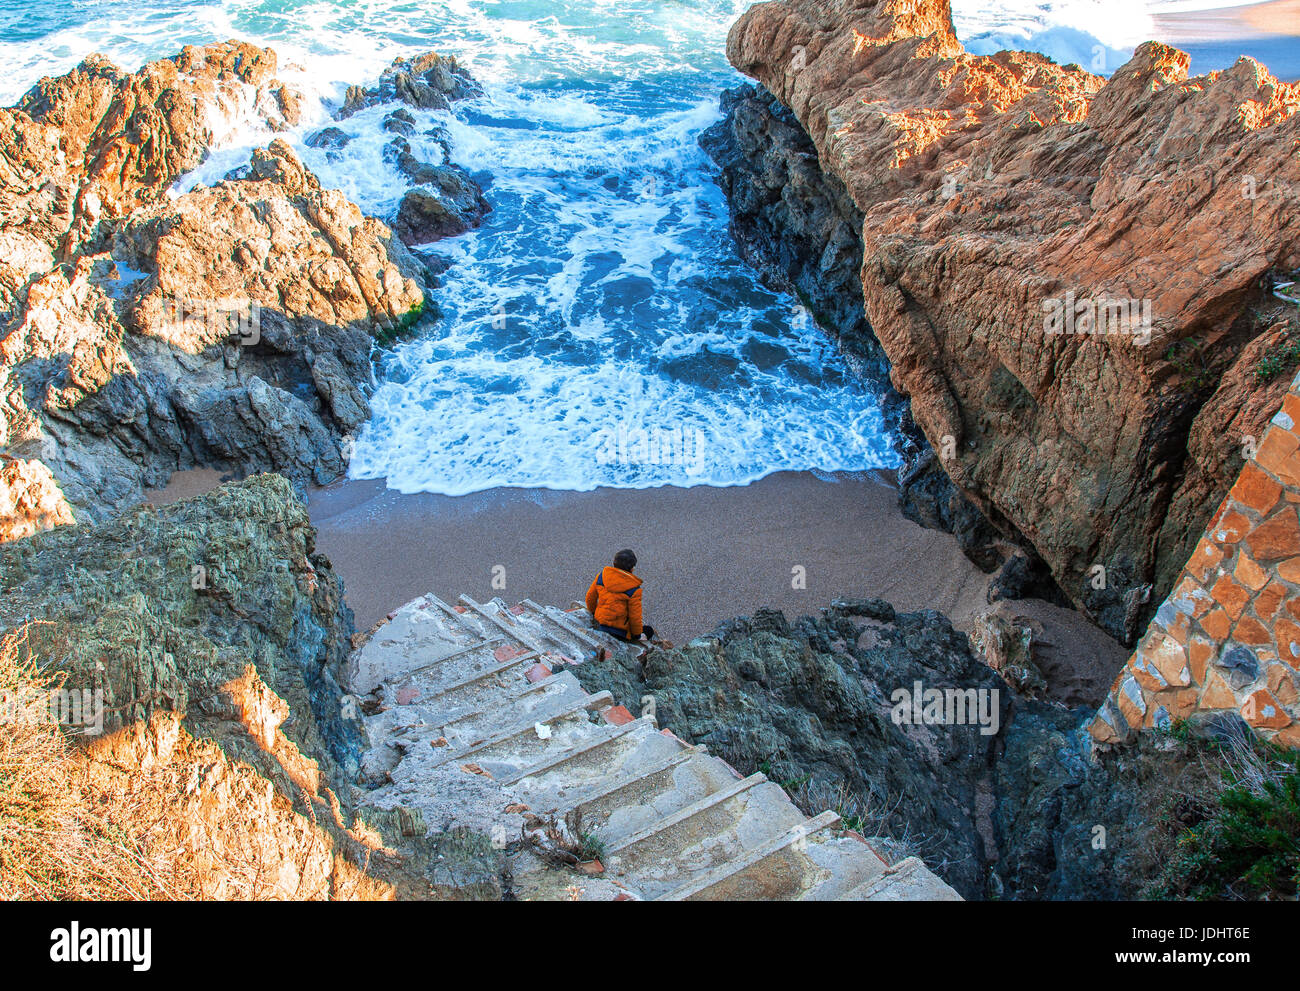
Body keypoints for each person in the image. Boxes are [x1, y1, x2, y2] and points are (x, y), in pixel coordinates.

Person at [585, 548, 655, 642]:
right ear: (632, 568)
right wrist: (637, 635)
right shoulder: (634, 589)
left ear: (614, 563)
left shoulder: (601, 576)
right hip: (620, 632)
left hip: (600, 623)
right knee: (649, 630)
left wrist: (594, 613)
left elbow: (590, 598)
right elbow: (635, 616)